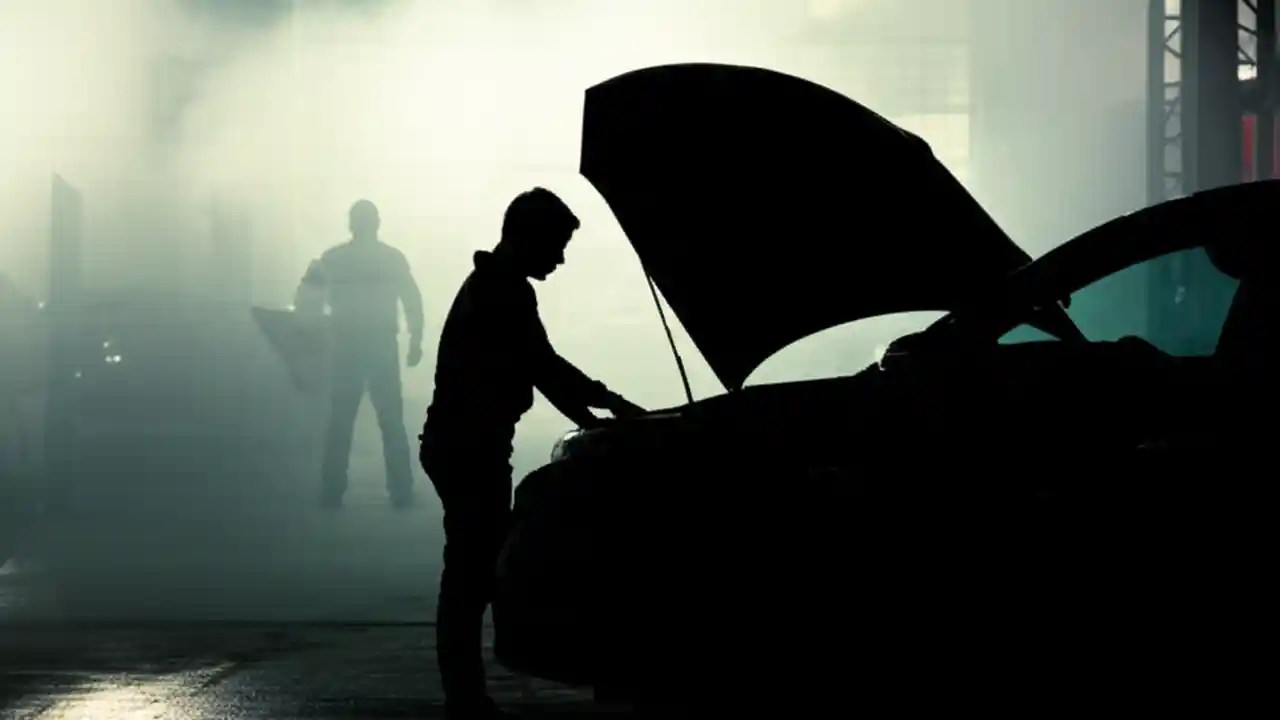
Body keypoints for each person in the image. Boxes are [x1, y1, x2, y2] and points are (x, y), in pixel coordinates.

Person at [419, 187, 643, 718]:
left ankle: (466, 692)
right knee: (474, 573)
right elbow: (544, 368)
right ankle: (465, 698)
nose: (561, 258)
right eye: (558, 244)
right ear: (530, 237)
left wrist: (601, 408)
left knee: (475, 568)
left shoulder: (494, 284)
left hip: (464, 443)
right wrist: (606, 412)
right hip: (470, 447)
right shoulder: (504, 291)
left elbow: (542, 366)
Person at [306, 200, 425, 508]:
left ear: (351, 224)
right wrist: (416, 340)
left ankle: (332, 488)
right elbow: (412, 300)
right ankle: (400, 487)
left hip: (346, 348)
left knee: (340, 421)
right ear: (377, 224)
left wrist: (313, 342)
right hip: (381, 348)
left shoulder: (331, 259)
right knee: (391, 421)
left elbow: (308, 300)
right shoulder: (392, 259)